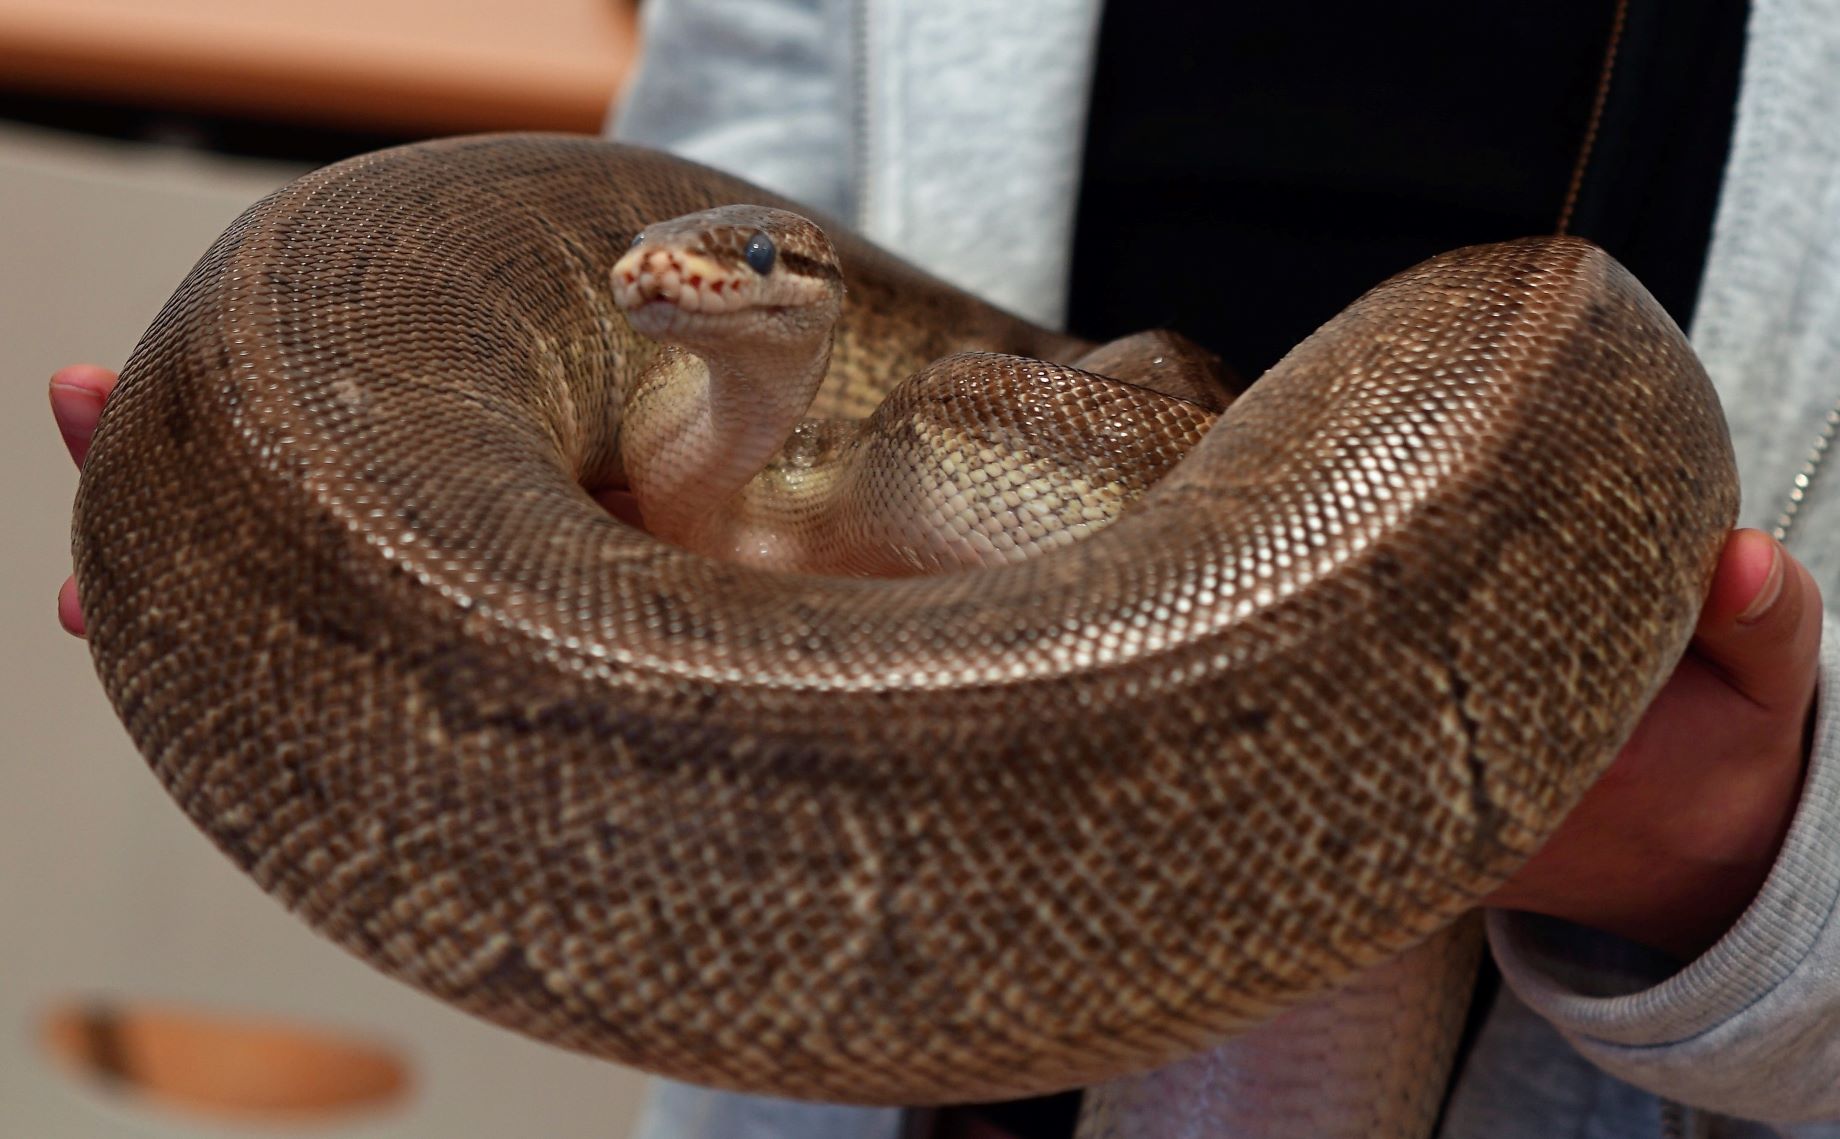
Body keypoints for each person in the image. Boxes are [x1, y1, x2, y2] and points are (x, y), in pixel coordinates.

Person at [50, 0, 1840, 1135]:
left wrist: (1726, 865)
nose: (687, 275)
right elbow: (719, 233)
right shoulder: (809, 381)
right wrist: (347, 531)